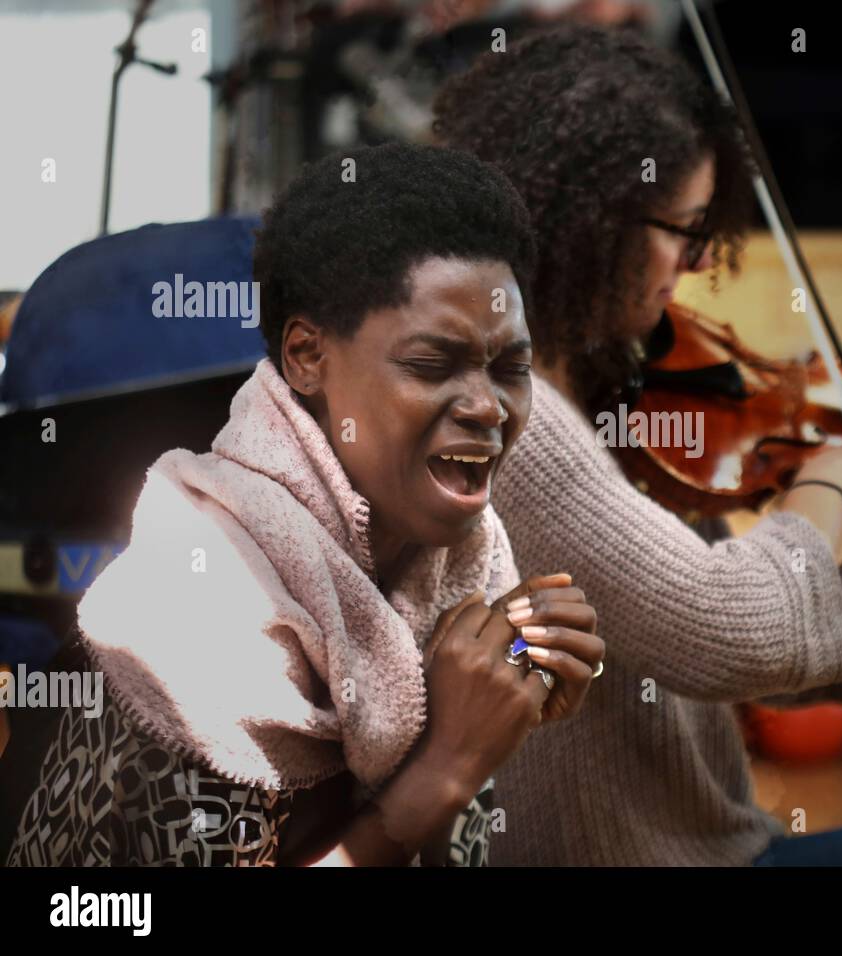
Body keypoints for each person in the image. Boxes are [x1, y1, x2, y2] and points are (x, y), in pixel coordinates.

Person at [434, 24, 842, 866]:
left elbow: (780, 655)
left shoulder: (605, 385)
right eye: (680, 227)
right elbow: (733, 632)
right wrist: (825, 482)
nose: (697, 259)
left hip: (715, 849)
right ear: (588, 222)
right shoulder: (519, 420)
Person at [0, 143, 604, 867]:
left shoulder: (453, 570)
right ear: (306, 357)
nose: (487, 407)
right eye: (429, 364)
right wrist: (445, 766)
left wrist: (498, 715)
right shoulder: (196, 627)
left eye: (511, 369)